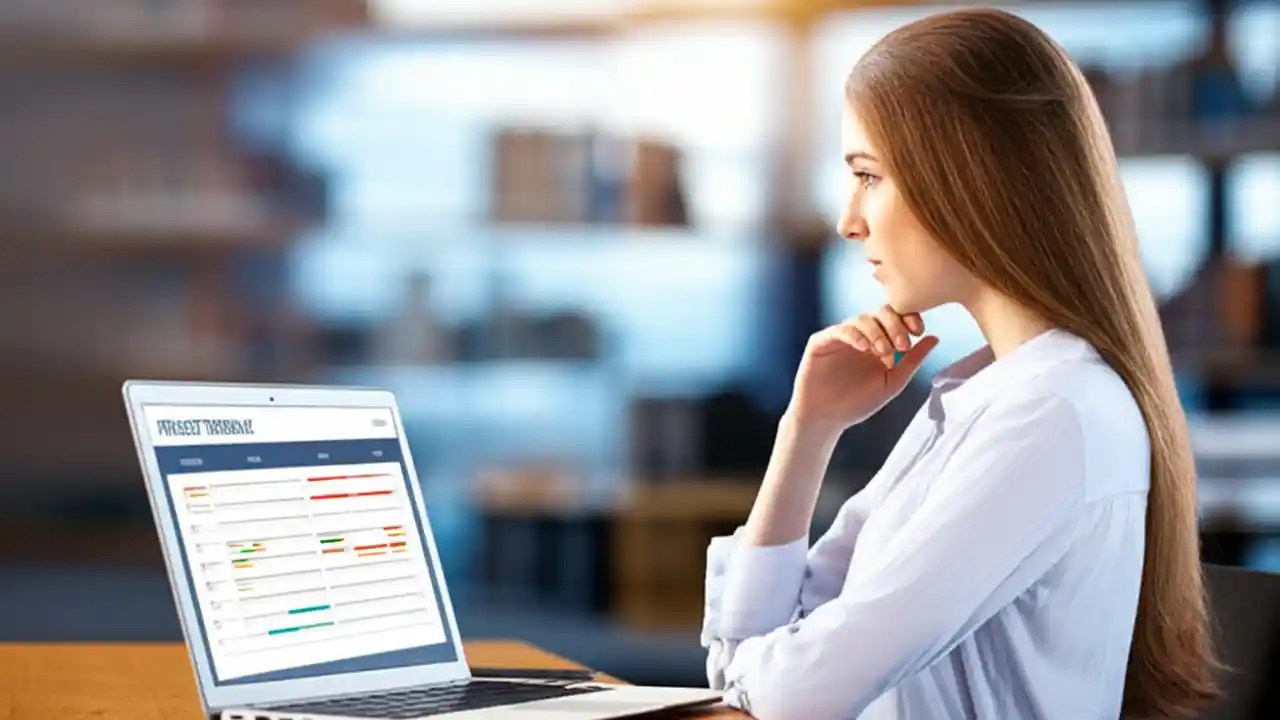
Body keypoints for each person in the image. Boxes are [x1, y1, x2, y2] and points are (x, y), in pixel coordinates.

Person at [700, 8, 1221, 720]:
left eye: (869, 176)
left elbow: (793, 693)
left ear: (971, 178)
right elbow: (749, 658)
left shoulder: (1053, 413)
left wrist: (767, 664)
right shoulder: (981, 394)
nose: (848, 220)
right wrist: (809, 431)